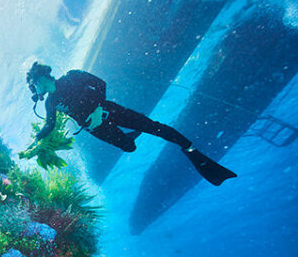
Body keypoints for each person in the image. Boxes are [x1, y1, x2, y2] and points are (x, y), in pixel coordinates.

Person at [25, 62, 237, 186]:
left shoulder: (72, 76)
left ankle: (190, 149)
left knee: (154, 127)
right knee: (129, 147)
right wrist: (36, 140)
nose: (35, 91)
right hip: (96, 129)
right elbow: (49, 125)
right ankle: (136, 130)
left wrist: (97, 110)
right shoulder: (51, 102)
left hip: (108, 111)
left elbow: (100, 84)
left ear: (41, 78)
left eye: (34, 85)